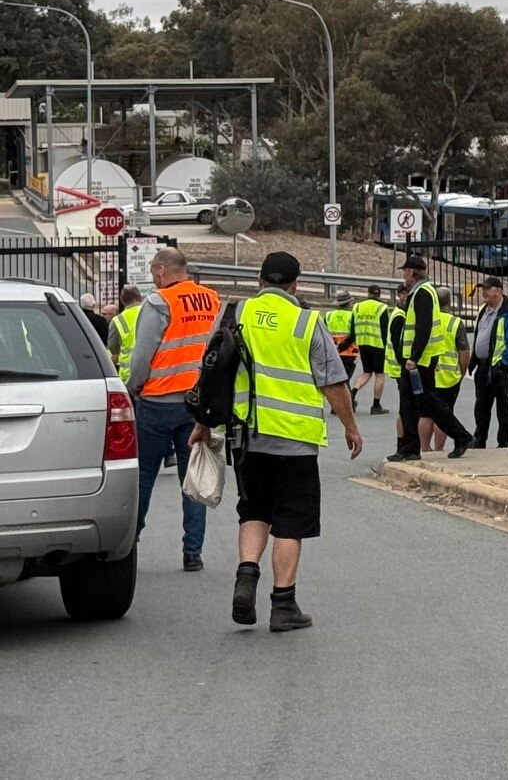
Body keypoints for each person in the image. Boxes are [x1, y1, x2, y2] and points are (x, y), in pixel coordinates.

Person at [190, 251, 363, 632]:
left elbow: (211, 368)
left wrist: (203, 424)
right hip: (296, 440)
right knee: (291, 521)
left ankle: (246, 575)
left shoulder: (235, 313)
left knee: (253, 509)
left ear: (259, 281)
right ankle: (283, 605)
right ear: (295, 285)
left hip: (247, 438)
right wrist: (351, 427)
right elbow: (333, 382)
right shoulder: (306, 321)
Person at [126, 247, 220, 572]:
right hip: (196, 405)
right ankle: (192, 553)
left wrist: (132, 389)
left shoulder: (158, 302)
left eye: (154, 272)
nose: (153, 279)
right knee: (192, 477)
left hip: (156, 403)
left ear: (164, 270)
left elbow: (141, 357)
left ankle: (128, 545)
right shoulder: (211, 299)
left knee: (144, 476)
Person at [399, 255, 475, 458]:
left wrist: (413, 357)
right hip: (421, 359)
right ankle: (408, 449)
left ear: (412, 273)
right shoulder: (421, 292)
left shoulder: (422, 293)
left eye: (405, 272)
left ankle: (461, 436)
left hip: (421, 360)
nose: (404, 276)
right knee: (413, 404)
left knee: (427, 403)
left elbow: (423, 329)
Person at [471, 278, 508, 448]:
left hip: (498, 368)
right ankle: (479, 440)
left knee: (503, 407)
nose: (484, 292)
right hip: (482, 366)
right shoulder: (483, 310)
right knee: (481, 407)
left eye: (488, 289)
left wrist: (504, 363)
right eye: (483, 289)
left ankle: (503, 442)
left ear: (499, 291)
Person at [427, 286, 470, 451]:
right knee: (445, 414)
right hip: (450, 376)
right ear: (450, 302)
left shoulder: (428, 319)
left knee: (426, 414)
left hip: (429, 373)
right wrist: (462, 371)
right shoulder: (455, 322)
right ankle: (439, 449)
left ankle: (425, 449)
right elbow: (464, 351)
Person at [384, 287, 419, 460]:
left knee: (408, 410)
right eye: (407, 295)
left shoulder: (402, 314)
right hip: (400, 370)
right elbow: (399, 347)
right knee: (405, 411)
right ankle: (402, 446)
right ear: (401, 295)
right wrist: (406, 364)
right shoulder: (400, 316)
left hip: (400, 369)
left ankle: (407, 446)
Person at [350, 285, 390, 414]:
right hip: (378, 345)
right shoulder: (382, 307)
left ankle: (353, 392)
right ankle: (376, 406)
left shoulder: (357, 306)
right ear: (379, 294)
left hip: (363, 344)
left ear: (368, 293)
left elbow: (352, 328)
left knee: (367, 373)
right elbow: (385, 330)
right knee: (379, 374)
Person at [107, 284, 143, 382]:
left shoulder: (118, 320)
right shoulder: (150, 313)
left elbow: (112, 346)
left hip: (128, 375)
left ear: (122, 300)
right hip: (151, 372)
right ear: (140, 298)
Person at [325, 291, 359, 382]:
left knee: (335, 380)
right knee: (345, 381)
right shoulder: (352, 315)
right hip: (349, 353)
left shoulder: (329, 315)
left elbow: (323, 334)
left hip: (332, 352)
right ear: (348, 303)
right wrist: (343, 346)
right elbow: (354, 335)